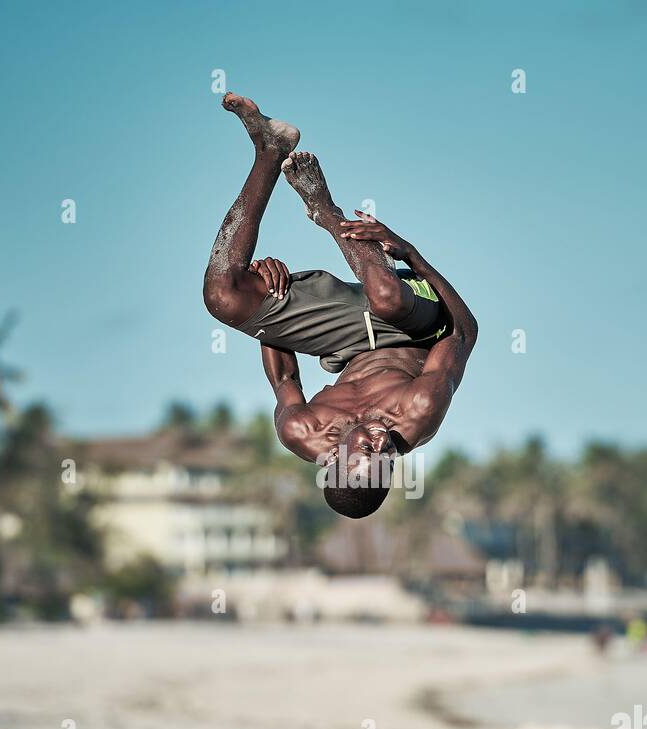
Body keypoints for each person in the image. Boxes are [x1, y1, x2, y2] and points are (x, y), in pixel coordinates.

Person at [201, 94, 479, 519]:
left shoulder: (301, 430)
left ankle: (269, 149)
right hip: (416, 325)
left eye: (366, 451)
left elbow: (284, 372)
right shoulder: (419, 411)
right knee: (387, 298)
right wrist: (413, 256)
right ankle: (325, 211)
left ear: (331, 460)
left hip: (345, 338)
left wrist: (270, 294)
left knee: (222, 297)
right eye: (385, 459)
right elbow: (463, 333)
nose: (381, 443)